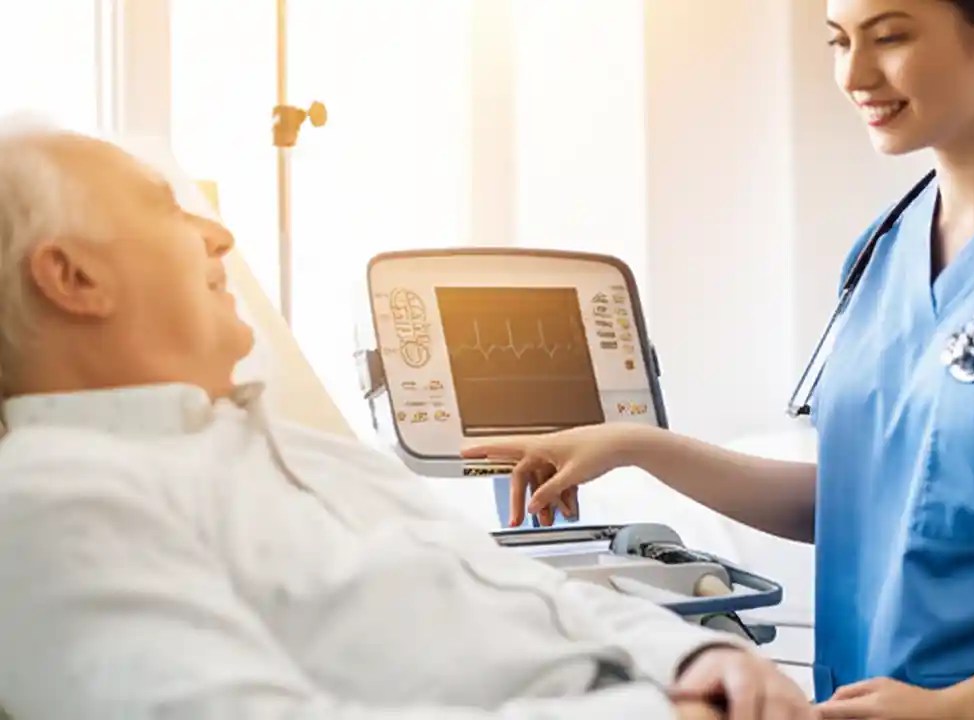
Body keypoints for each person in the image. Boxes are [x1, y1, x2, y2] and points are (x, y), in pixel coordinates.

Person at [462, 1, 974, 718]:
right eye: (839, 41)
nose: (853, 75)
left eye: (892, 36)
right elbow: (864, 503)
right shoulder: (882, 252)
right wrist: (635, 446)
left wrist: (959, 711)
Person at [0, 126, 817, 720]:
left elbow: (528, 595)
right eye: (163, 207)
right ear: (72, 277)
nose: (219, 233)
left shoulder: (310, 455)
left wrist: (699, 655)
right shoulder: (50, 500)